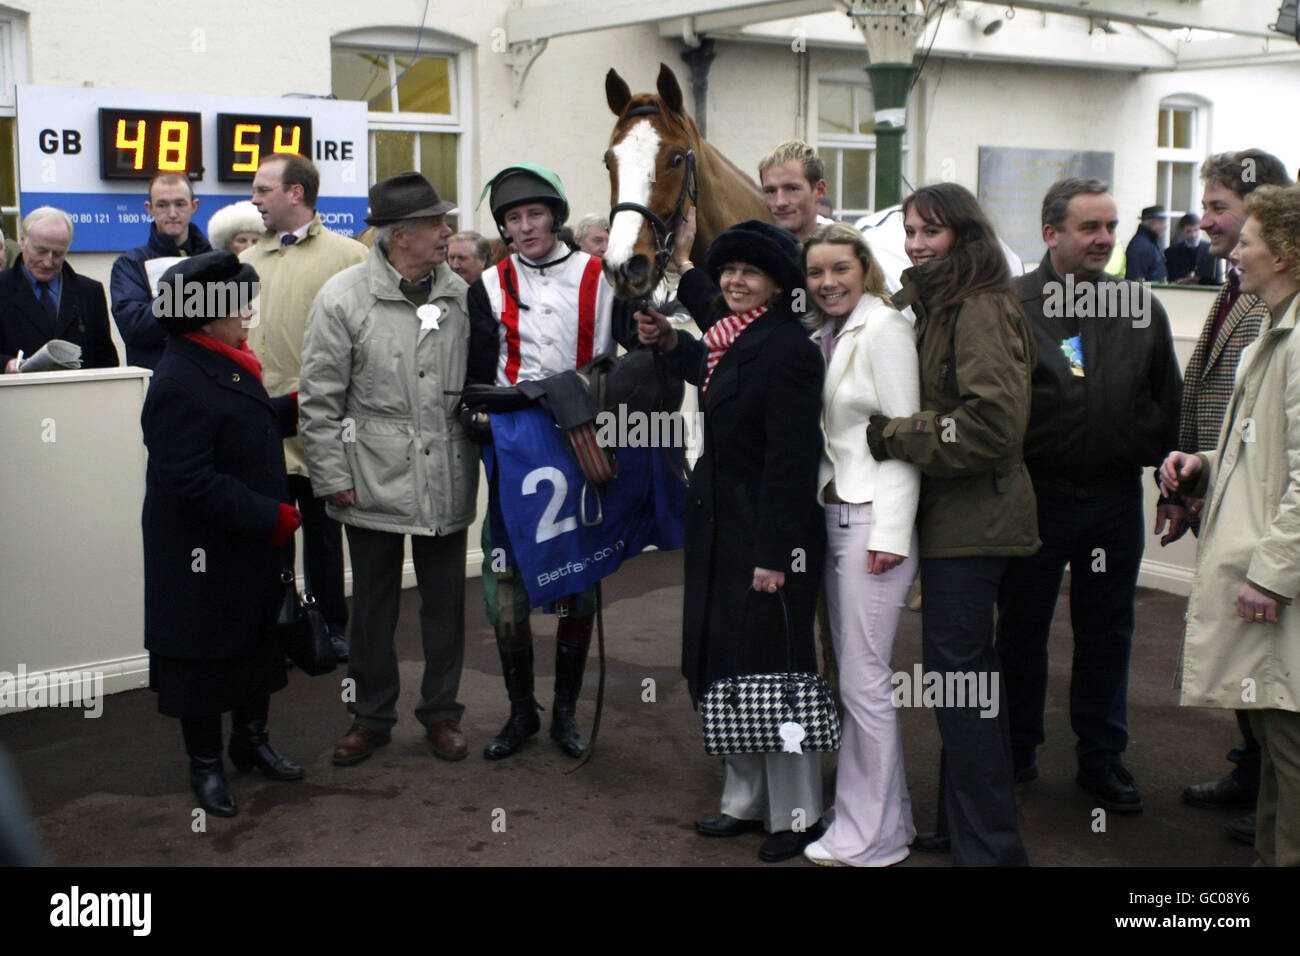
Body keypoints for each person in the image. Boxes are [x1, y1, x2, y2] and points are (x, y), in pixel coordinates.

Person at [636, 215, 827, 863]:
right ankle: (743, 802)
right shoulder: (727, 339)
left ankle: (797, 814)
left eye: (750, 271)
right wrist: (670, 344)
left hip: (766, 539)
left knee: (777, 671)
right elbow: (720, 378)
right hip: (720, 530)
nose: (736, 280)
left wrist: (776, 555)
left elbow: (792, 462)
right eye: (729, 271)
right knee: (729, 668)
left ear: (776, 284)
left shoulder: (791, 349)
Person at [865, 182, 1037, 865]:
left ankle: (990, 848)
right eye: (909, 231)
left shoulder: (981, 308)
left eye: (929, 232)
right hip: (958, 519)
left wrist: (895, 435)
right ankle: (967, 829)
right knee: (963, 682)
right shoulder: (941, 302)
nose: (914, 243)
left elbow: (991, 425)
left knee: (962, 684)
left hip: (976, 522)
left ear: (964, 237)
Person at [998, 177, 1182, 814]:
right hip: (1034, 497)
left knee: (1108, 631)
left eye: (1110, 227)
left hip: (1110, 499)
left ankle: (1102, 757)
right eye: (1089, 228)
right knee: (1021, 629)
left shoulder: (1139, 306)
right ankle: (1016, 748)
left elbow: (1166, 401)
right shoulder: (1008, 305)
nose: (1105, 239)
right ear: (1051, 234)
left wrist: (1171, 480)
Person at [465, 162, 641, 760]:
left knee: (579, 579)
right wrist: (485, 417)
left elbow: (636, 358)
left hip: (581, 442)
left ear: (555, 217)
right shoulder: (485, 286)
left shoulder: (602, 277)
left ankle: (566, 712)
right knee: (506, 582)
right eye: (513, 219)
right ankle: (522, 713)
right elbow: (474, 377)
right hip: (514, 449)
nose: (525, 227)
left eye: (535, 214)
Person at [300, 172, 477, 766]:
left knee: (445, 603)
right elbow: (319, 399)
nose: (446, 233)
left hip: (445, 468)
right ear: (401, 236)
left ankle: (442, 714)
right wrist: (330, 475)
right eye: (435, 224)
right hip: (368, 474)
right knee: (373, 607)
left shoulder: (461, 294)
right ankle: (370, 717)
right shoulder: (343, 297)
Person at [1159, 183, 1300, 867]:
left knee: (1293, 755)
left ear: (1287, 253)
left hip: (1280, 586)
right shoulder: (1270, 335)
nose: (1235, 251)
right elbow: (1262, 447)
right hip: (1270, 580)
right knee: (1278, 753)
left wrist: (1270, 578)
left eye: (1248, 240)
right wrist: (1205, 462)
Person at [141, 250, 304, 818]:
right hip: (201, 554)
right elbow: (188, 478)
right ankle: (205, 765)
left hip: (241, 544)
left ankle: (251, 741)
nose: (248, 314)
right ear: (206, 315)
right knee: (205, 658)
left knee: (253, 643)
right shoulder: (177, 379)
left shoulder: (223, 360)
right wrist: (271, 517)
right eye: (240, 306)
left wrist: (294, 408)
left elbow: (244, 424)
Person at [797, 222, 920, 867]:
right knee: (858, 679)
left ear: (864, 269)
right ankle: (884, 824)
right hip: (839, 516)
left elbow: (902, 435)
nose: (828, 282)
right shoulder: (829, 333)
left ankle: (868, 836)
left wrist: (894, 534)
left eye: (840, 269)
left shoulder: (885, 327)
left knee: (865, 682)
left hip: (874, 523)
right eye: (816, 273)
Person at [243, 153, 367, 662]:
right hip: (259, 422)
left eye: (263, 190)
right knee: (268, 535)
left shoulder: (349, 257)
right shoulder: (246, 262)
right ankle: (277, 625)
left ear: (296, 193)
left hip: (320, 424)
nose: (255, 200)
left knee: (322, 535)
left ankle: (331, 628)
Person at [109, 173, 212, 370]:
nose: (172, 213)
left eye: (180, 204)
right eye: (163, 205)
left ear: (194, 206)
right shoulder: (129, 265)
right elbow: (135, 328)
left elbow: (239, 325)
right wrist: (191, 298)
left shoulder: (219, 261)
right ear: (149, 208)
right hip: (160, 382)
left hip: (213, 379)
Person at [1, 207, 118, 373]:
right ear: (22, 241)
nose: (48, 262)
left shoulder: (90, 293)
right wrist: (7, 365)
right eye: (40, 251)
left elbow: (106, 361)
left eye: (57, 254)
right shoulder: (3, 289)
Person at [758, 140, 833, 242]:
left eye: (792, 189)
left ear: (819, 190)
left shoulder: (846, 252)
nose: (780, 202)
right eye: (771, 191)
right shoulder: (749, 253)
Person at [1164, 212, 1220, 286]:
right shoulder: (1171, 252)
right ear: (1182, 231)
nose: (1193, 235)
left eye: (1196, 230)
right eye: (1189, 231)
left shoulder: (1212, 250)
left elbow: (1216, 279)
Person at [1124, 205, 1170, 282]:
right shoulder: (1141, 246)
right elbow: (1137, 280)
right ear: (1153, 223)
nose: (1165, 226)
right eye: (1162, 222)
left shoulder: (1147, 243)